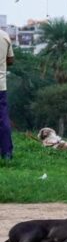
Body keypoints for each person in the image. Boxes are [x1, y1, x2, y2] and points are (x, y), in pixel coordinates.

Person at [0, 29, 15, 161]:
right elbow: (11, 60)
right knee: (3, 119)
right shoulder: (4, 36)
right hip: (0, 86)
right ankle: (6, 153)